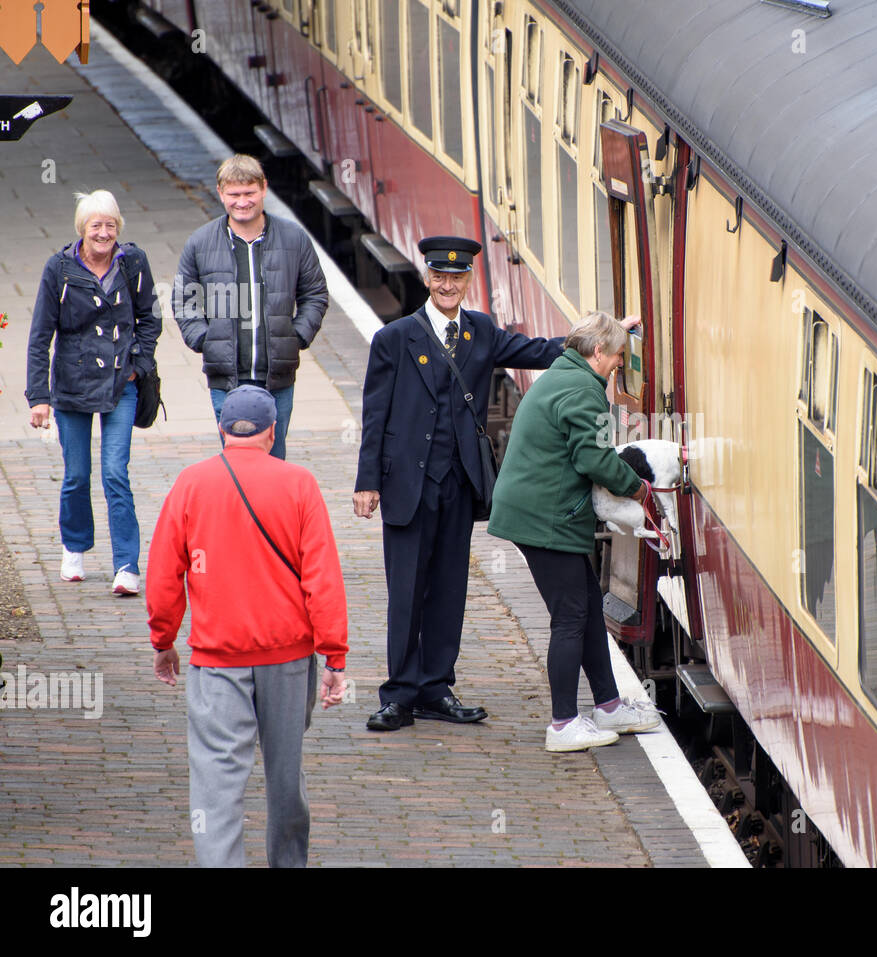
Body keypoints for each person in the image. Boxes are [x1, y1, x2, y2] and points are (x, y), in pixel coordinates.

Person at [355, 235, 573, 732]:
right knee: (406, 590)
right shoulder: (394, 339)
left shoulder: (482, 331)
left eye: (457, 277)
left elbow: (537, 351)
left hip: (458, 483)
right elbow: (375, 415)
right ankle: (399, 694)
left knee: (450, 588)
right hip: (407, 485)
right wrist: (367, 482)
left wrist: (595, 342)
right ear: (427, 278)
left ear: (468, 281)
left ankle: (436, 687)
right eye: (439, 276)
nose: (448, 284)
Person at [147, 386, 348, 867]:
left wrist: (164, 639)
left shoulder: (191, 484)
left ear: (222, 430)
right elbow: (322, 577)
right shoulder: (299, 484)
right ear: (272, 431)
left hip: (217, 660)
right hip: (289, 658)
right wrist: (334, 656)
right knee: (286, 777)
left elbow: (162, 574)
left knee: (216, 782)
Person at [487, 312, 662, 752]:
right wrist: (636, 487)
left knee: (584, 607)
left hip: (539, 510)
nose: (619, 366)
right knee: (569, 617)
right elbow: (593, 459)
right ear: (598, 352)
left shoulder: (564, 372)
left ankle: (607, 706)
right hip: (544, 517)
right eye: (618, 357)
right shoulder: (584, 388)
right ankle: (563, 723)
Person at [25, 189, 160, 595]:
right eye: (95, 225)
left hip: (121, 383)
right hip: (71, 384)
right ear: (82, 229)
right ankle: (75, 548)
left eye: (110, 225)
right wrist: (39, 397)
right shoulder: (59, 268)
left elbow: (150, 318)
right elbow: (39, 336)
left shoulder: (133, 262)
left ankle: (126, 565)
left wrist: (139, 365)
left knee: (116, 473)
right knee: (77, 474)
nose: (104, 232)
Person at [173, 154, 328, 460]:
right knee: (234, 462)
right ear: (220, 193)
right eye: (234, 194)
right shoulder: (200, 243)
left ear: (263, 189)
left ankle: (272, 511)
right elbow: (184, 300)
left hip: (278, 377)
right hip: (225, 377)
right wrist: (204, 340)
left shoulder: (294, 239)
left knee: (275, 461)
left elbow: (315, 294)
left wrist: (295, 337)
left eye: (249, 193)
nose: (242, 202)